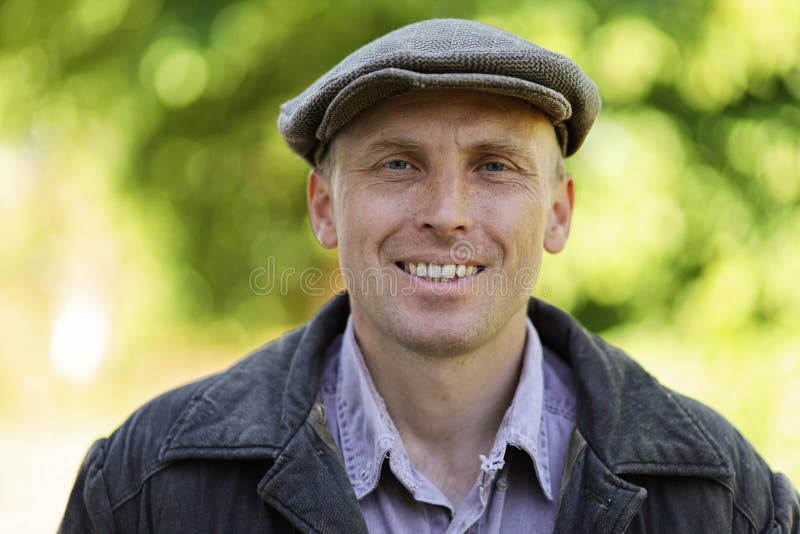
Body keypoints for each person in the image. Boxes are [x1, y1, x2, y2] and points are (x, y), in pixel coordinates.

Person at [60, 18, 798, 533]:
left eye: (495, 166)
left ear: (558, 214)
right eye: (398, 163)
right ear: (324, 208)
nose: (447, 213)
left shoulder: (723, 498)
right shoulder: (147, 488)